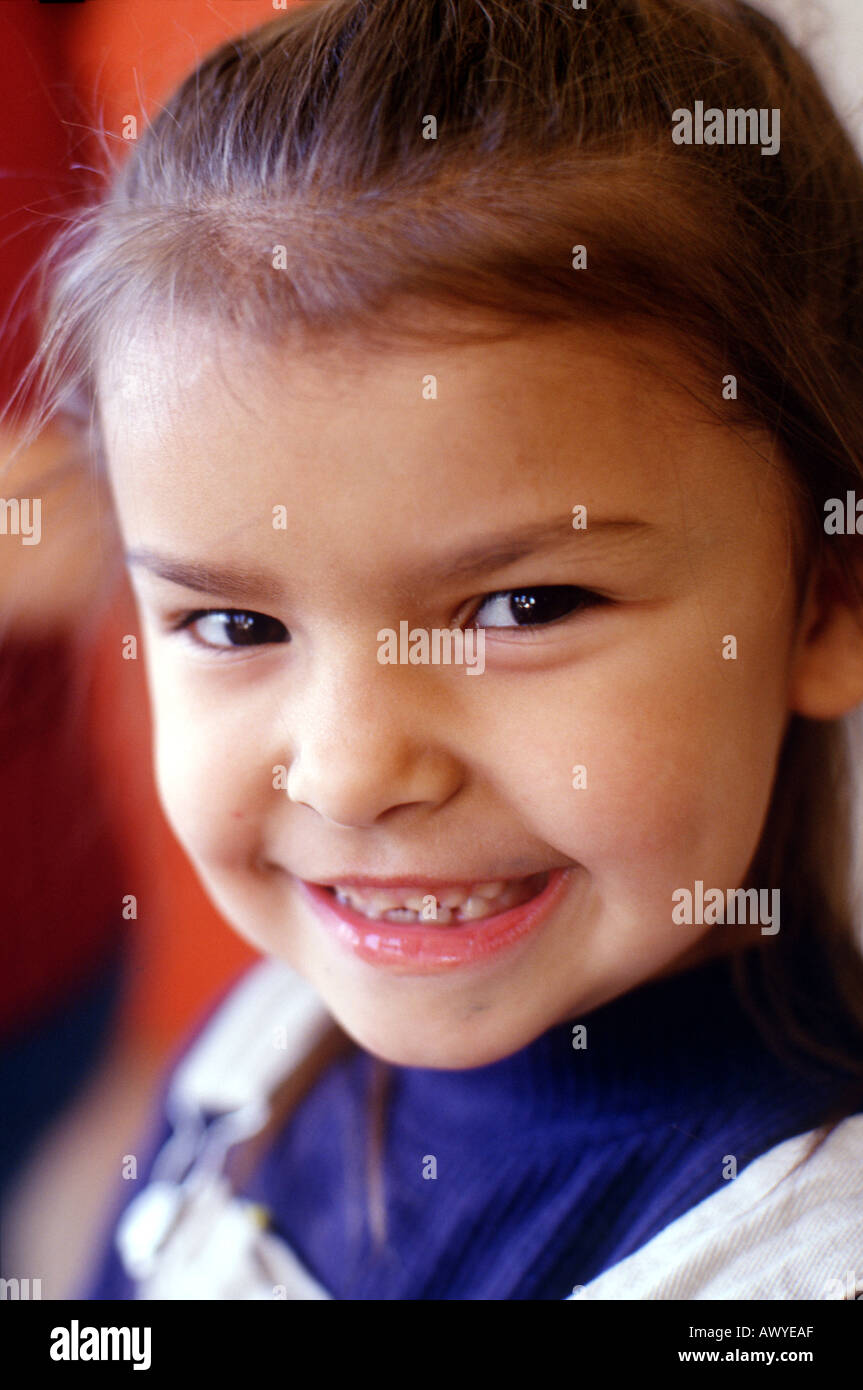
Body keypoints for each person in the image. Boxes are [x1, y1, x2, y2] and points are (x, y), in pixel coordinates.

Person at [15, 0, 863, 1299]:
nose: (353, 773)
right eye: (237, 624)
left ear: (827, 599)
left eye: (523, 607)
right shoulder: (260, 1059)